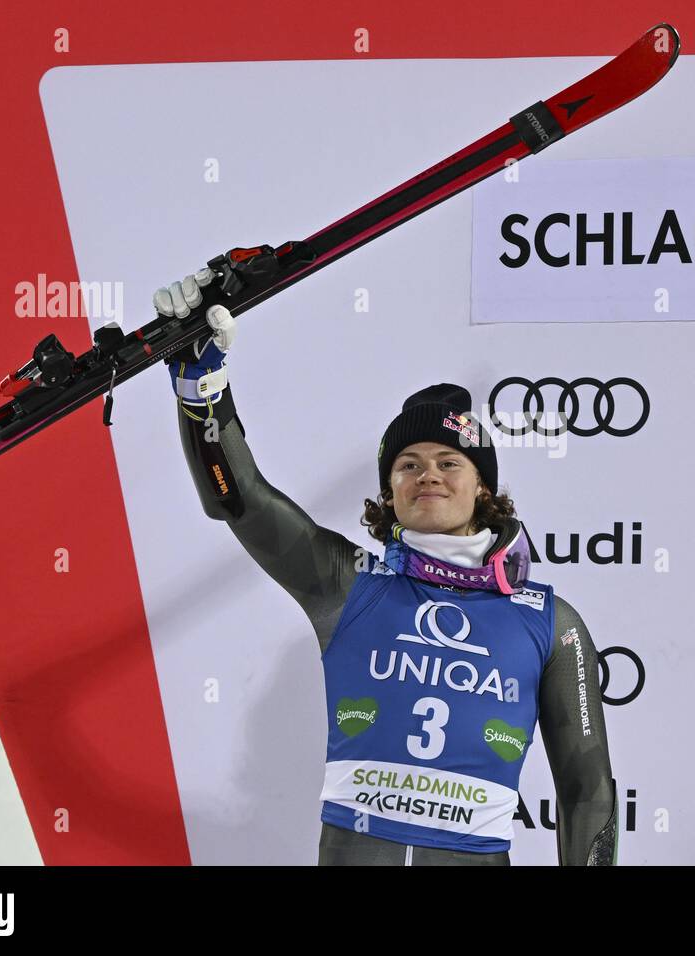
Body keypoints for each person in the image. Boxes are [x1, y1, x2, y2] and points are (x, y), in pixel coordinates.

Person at [156, 269, 618, 865]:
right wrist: (203, 398)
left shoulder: (553, 624)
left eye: (450, 462)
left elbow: (588, 791)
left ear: (484, 489)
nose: (427, 474)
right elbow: (240, 500)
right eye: (407, 464)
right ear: (389, 492)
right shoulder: (349, 583)